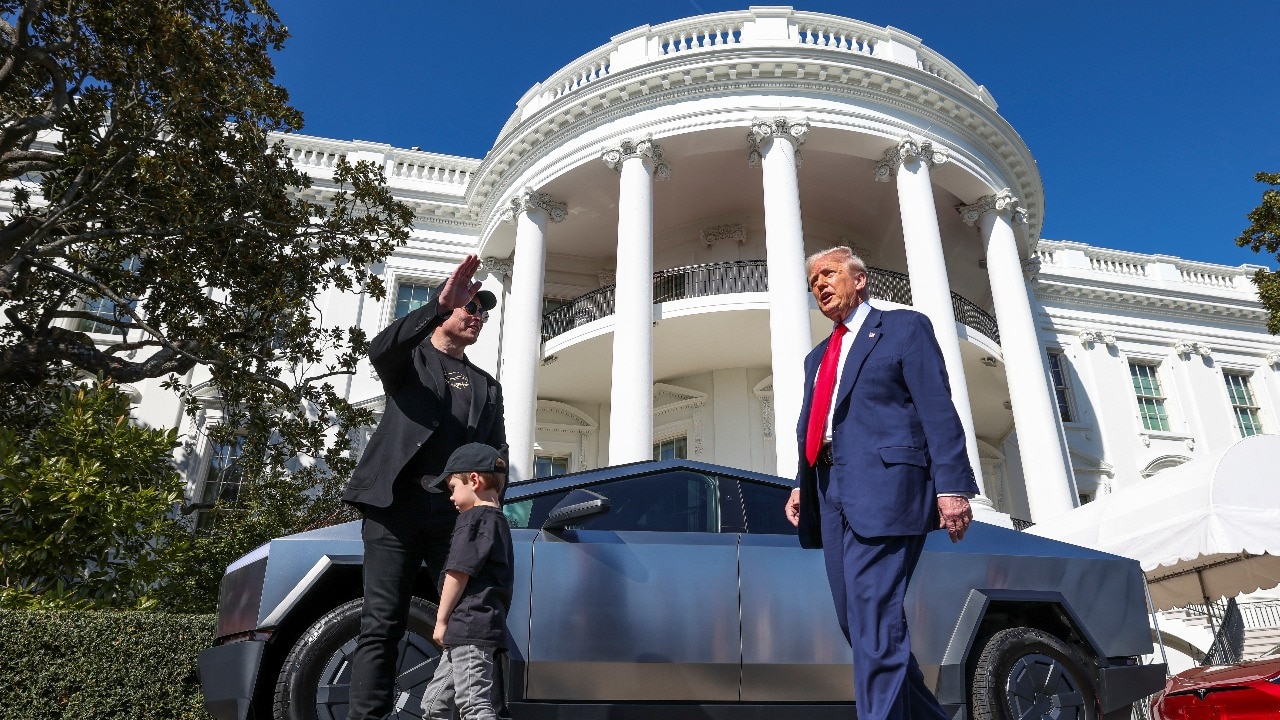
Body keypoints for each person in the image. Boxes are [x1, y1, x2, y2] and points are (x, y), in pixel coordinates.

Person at [784, 246, 979, 720]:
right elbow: (817, 424)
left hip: (889, 487)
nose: (820, 286)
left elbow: (937, 408)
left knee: (873, 619)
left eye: (828, 274)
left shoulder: (904, 328)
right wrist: (799, 482)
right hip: (830, 492)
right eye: (813, 283)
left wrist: (951, 487)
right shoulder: (817, 357)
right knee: (858, 622)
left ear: (860, 279)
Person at [342, 254, 506, 720]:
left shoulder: (485, 385)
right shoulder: (410, 361)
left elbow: (498, 453)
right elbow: (379, 348)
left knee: (473, 620)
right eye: (471, 308)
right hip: (394, 509)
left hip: (454, 519)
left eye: (483, 313)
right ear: (449, 311)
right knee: (382, 623)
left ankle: (475, 713)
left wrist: (491, 507)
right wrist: (436, 305)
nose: (477, 317)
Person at [419, 442, 514, 720]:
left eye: (452, 488)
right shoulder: (497, 521)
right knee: (434, 704)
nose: (451, 498)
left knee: (474, 705)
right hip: (470, 631)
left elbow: (458, 572)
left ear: (474, 480)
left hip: (470, 626)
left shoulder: (474, 519)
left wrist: (441, 620)